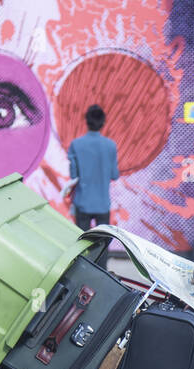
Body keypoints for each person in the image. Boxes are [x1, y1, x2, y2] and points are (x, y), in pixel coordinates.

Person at [66, 104, 120, 269]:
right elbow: (114, 175)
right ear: (103, 123)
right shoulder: (110, 145)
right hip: (102, 203)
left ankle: (81, 272)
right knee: (103, 243)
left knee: (82, 244)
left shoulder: (76, 144)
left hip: (83, 201)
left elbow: (73, 175)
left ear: (86, 121)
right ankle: (102, 274)